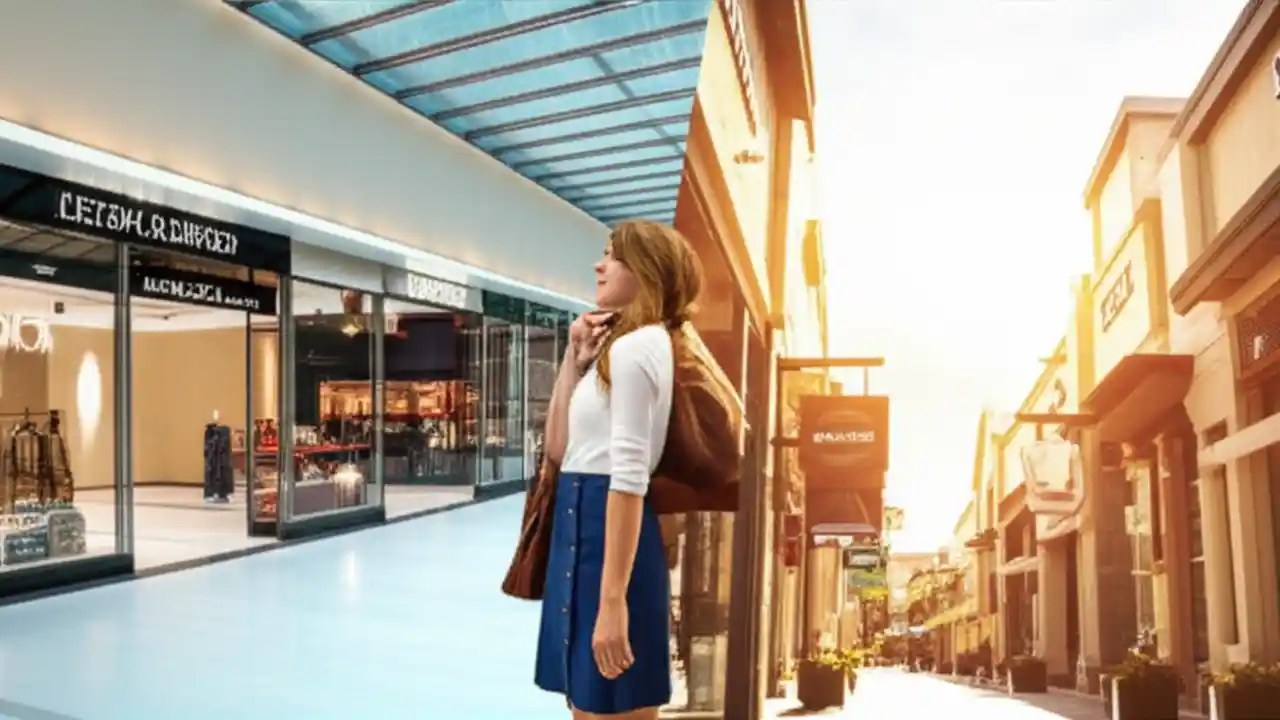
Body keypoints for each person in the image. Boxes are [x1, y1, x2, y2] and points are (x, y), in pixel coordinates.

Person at [533, 220, 716, 719]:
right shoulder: (622, 347)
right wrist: (575, 359)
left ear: (646, 271)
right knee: (586, 707)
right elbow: (559, 449)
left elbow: (629, 478)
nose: (599, 264)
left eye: (612, 255)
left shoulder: (638, 350)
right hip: (585, 534)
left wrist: (613, 601)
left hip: (608, 542)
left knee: (612, 706)